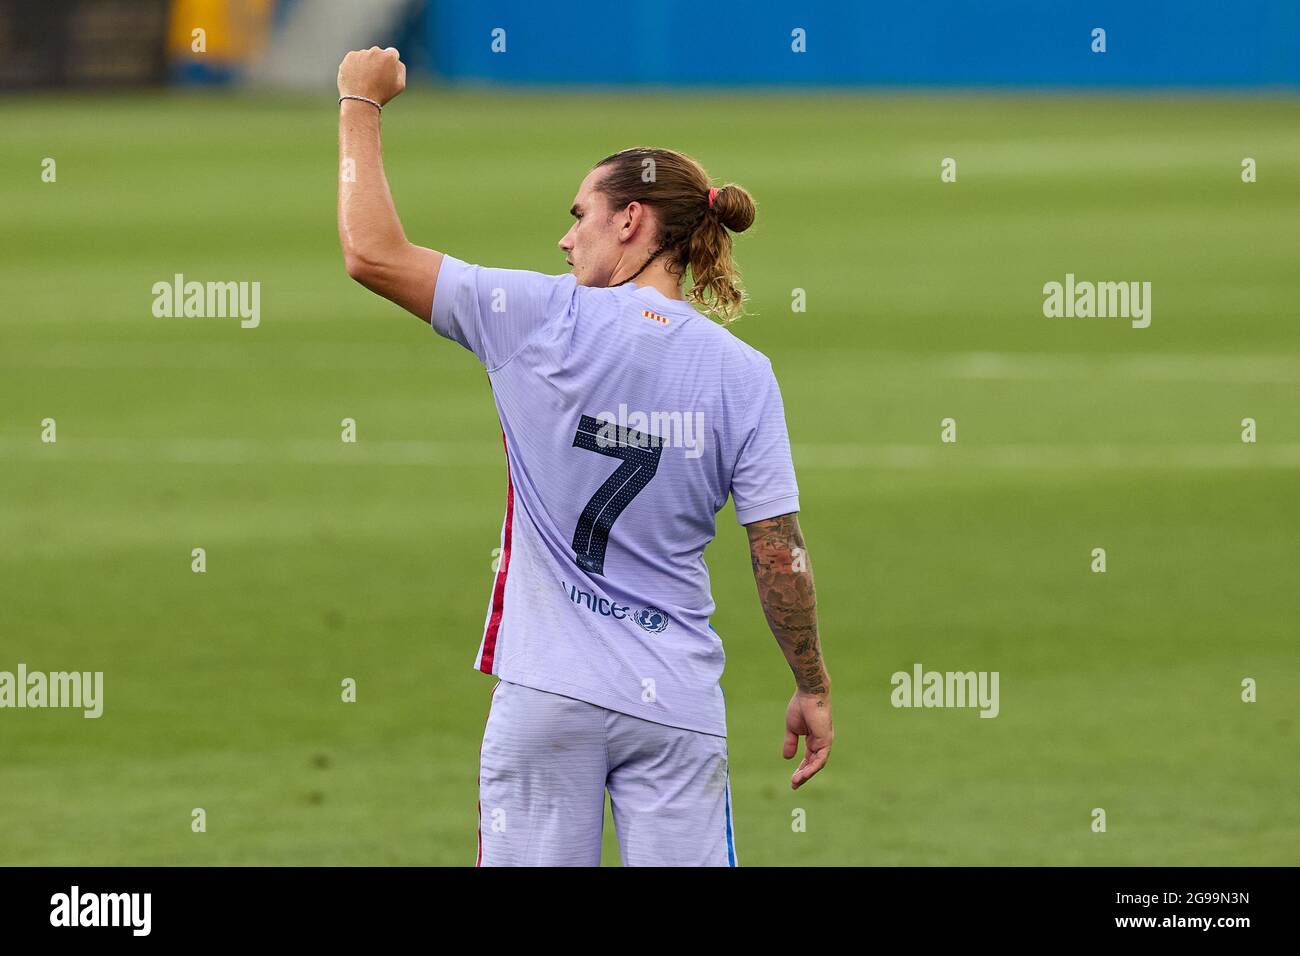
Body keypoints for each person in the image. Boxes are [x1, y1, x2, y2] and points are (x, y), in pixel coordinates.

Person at [336, 46, 832, 866]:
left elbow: (371, 252)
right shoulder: (744, 374)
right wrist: (810, 682)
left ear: (630, 220)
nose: (566, 241)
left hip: (546, 694)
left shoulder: (534, 317)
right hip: (674, 703)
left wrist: (360, 102)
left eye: (580, 215)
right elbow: (780, 556)